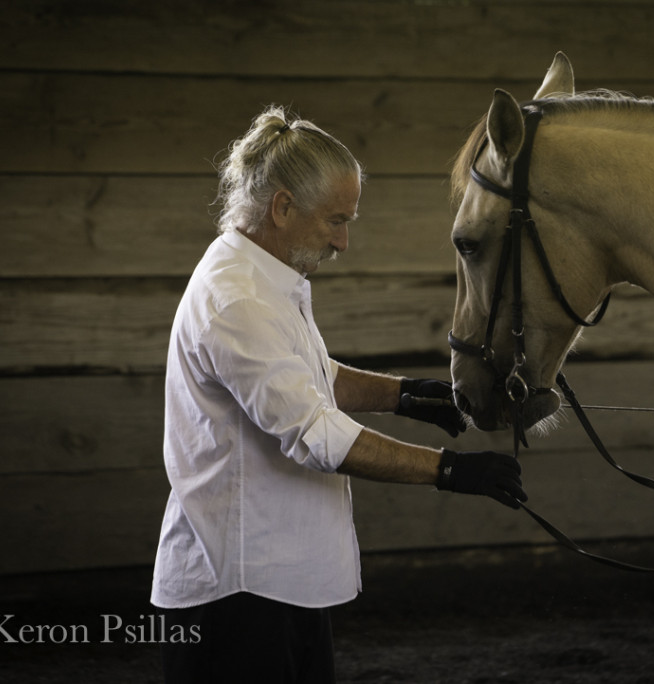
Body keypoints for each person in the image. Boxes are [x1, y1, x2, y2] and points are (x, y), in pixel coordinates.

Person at [150, 105, 527, 684]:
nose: (343, 242)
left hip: (279, 574)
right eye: (334, 221)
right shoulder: (238, 299)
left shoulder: (263, 275)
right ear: (281, 207)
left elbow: (307, 373)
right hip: (240, 589)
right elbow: (313, 433)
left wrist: (407, 396)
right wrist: (451, 471)